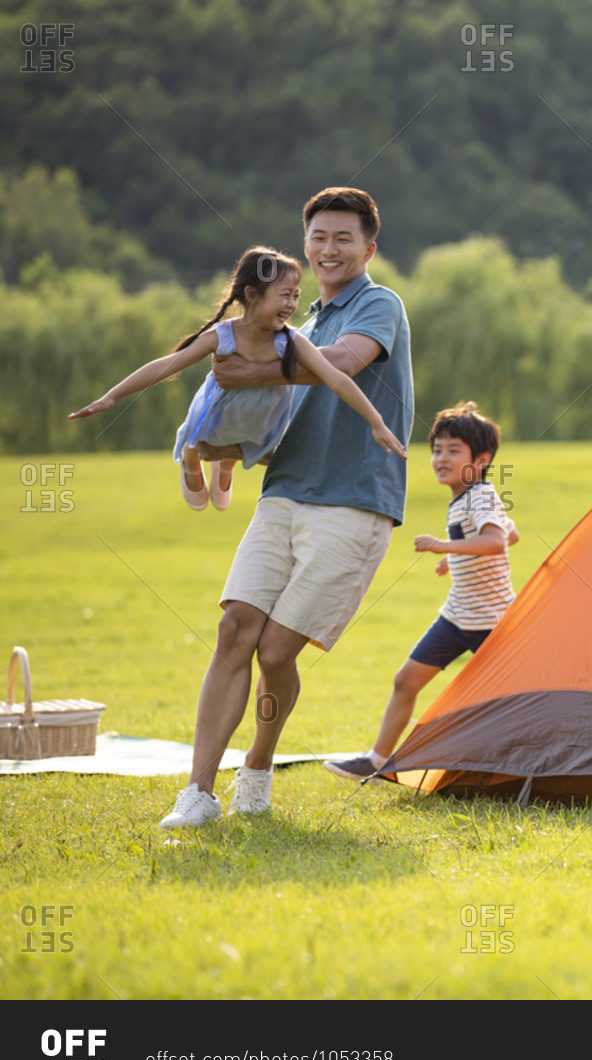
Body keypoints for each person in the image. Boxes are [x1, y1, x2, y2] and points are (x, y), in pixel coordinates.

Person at [156, 187, 415, 827]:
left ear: (368, 248)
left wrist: (252, 369)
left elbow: (346, 363)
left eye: (343, 238)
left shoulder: (378, 304)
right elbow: (266, 422)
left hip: (353, 501)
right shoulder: (294, 325)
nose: (329, 249)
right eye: (319, 237)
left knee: (275, 653)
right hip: (285, 494)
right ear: (305, 245)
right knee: (233, 629)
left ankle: (260, 767)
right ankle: (198, 792)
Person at [69, 247, 404, 510]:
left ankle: (227, 465)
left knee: (266, 451)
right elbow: (169, 365)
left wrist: (376, 422)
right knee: (200, 445)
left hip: (260, 424)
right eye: (284, 295)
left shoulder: (290, 340)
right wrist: (112, 395)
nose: (292, 304)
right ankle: (190, 460)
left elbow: (336, 378)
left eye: (296, 295)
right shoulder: (223, 336)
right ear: (252, 295)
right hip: (219, 418)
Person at [325, 402, 519, 782]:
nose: (441, 458)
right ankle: (378, 761)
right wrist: (458, 558)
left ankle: (514, 768)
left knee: (508, 701)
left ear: (480, 460)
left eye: (453, 450)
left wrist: (444, 547)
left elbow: (496, 542)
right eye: (436, 449)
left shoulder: (478, 495)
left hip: (492, 623)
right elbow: (510, 533)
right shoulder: (466, 497)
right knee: (406, 680)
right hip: (457, 616)